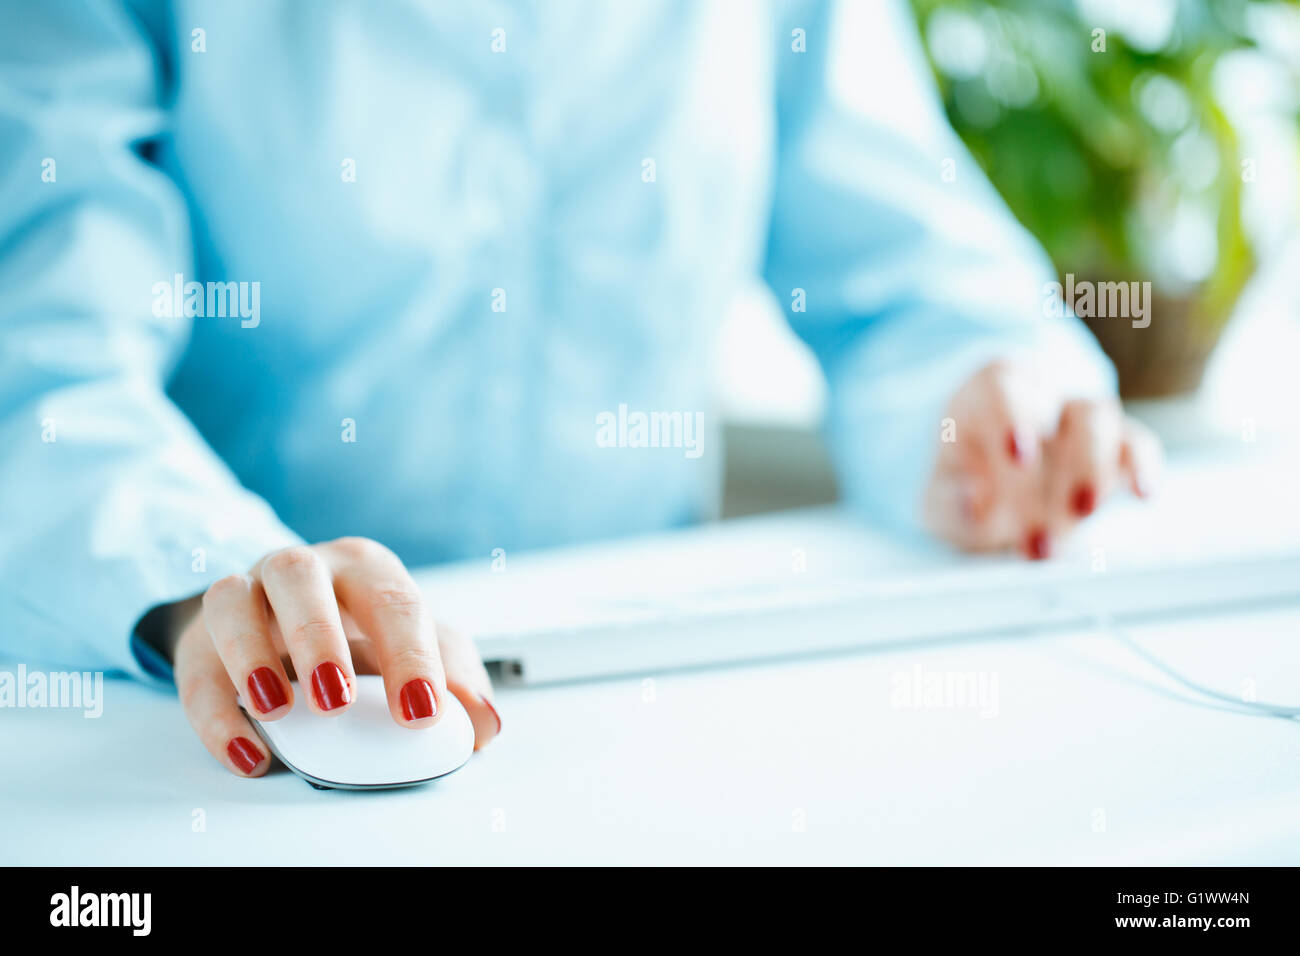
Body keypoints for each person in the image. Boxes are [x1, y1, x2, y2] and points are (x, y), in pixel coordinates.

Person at [0, 0, 1159, 777]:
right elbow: (43, 361)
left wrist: (995, 402)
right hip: (214, 736)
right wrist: (199, 583)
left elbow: (906, 265)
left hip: (637, 718)